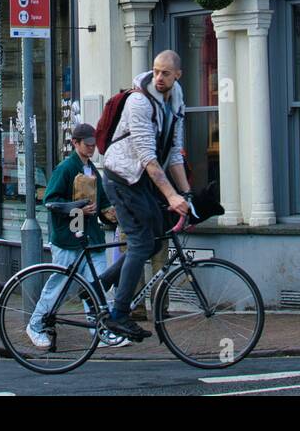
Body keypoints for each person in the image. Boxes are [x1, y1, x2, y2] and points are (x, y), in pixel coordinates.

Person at [99, 50, 190, 341]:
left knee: (153, 242)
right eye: (155, 71)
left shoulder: (176, 102)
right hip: (121, 177)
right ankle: (119, 314)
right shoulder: (138, 101)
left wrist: (186, 193)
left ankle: (96, 288)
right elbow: (148, 158)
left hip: (141, 182)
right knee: (140, 243)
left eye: (165, 73)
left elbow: (174, 152)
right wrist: (172, 196)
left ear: (178, 75)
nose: (159, 77)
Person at [26, 123, 128, 350]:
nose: (92, 149)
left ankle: (101, 331)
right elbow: (51, 201)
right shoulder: (65, 169)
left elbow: (102, 203)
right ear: (75, 143)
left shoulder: (92, 170)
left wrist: (112, 213)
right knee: (59, 285)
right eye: (88, 145)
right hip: (68, 238)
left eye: (94, 145)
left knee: (97, 286)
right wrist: (78, 209)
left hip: (90, 238)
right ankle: (36, 325)